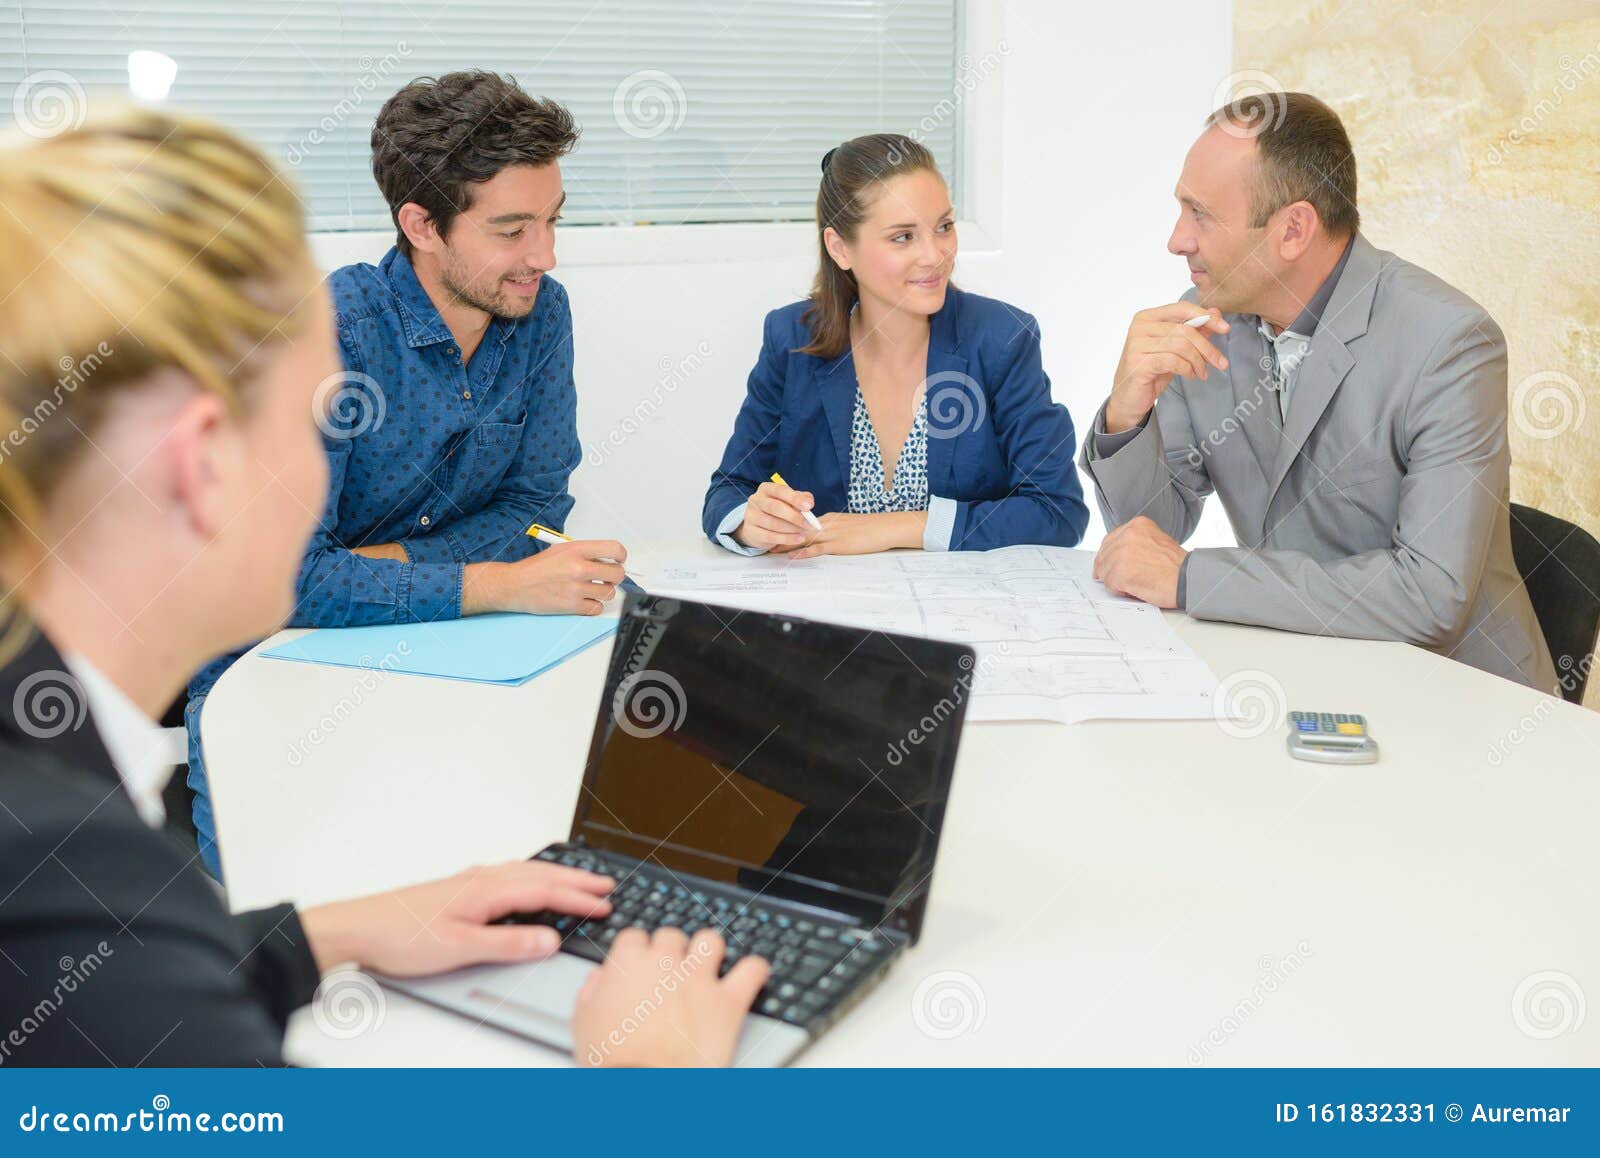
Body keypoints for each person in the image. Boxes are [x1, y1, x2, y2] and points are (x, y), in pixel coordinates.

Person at [0, 108, 765, 1067]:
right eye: (303, 419)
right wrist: (646, 1086)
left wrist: (331, 933)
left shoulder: (64, 781)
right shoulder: (72, 865)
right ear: (203, 464)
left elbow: (136, 1010)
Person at [184, 71, 630, 875]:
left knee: (514, 861)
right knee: (290, 922)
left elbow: (535, 509)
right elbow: (281, 587)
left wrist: (381, 568)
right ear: (421, 224)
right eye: (512, 229)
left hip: (448, 658)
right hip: (273, 671)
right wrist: (495, 583)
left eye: (553, 222)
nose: (545, 256)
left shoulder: (541, 312)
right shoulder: (328, 335)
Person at [1082, 92, 1556, 691]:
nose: (1177, 240)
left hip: (1462, 704)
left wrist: (1195, 580)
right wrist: (1128, 413)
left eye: (1200, 214)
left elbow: (1431, 598)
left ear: (1294, 229)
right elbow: (1148, 539)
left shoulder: (1450, 343)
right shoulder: (1204, 322)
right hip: (1303, 680)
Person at [703, 133, 1088, 558]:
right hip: (829, 611)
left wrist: (900, 527)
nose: (935, 255)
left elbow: (1057, 512)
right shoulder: (792, 340)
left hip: (960, 615)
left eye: (943, 226)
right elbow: (730, 490)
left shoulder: (1001, 338)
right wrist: (750, 523)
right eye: (903, 237)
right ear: (840, 248)